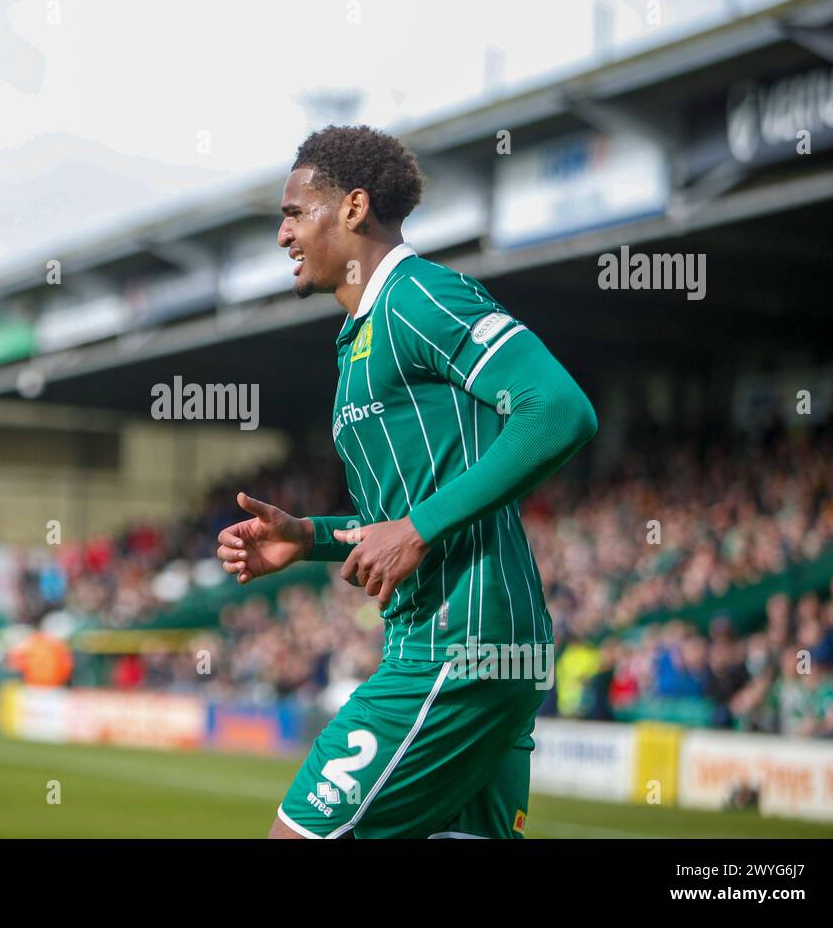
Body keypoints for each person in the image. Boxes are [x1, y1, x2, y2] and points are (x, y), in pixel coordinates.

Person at [215, 125, 597, 839]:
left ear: (354, 208)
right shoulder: (358, 338)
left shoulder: (418, 296)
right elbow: (400, 521)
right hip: (463, 645)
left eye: (295, 213)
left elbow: (559, 409)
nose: (283, 235)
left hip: (462, 645)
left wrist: (419, 529)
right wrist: (310, 538)